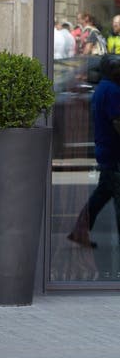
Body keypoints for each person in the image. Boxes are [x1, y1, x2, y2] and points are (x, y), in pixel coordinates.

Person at [67, 54, 120, 249]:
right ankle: (79, 231)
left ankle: (79, 231)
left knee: (102, 194)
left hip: (106, 150)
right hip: (114, 153)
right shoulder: (113, 90)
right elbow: (117, 121)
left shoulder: (102, 89)